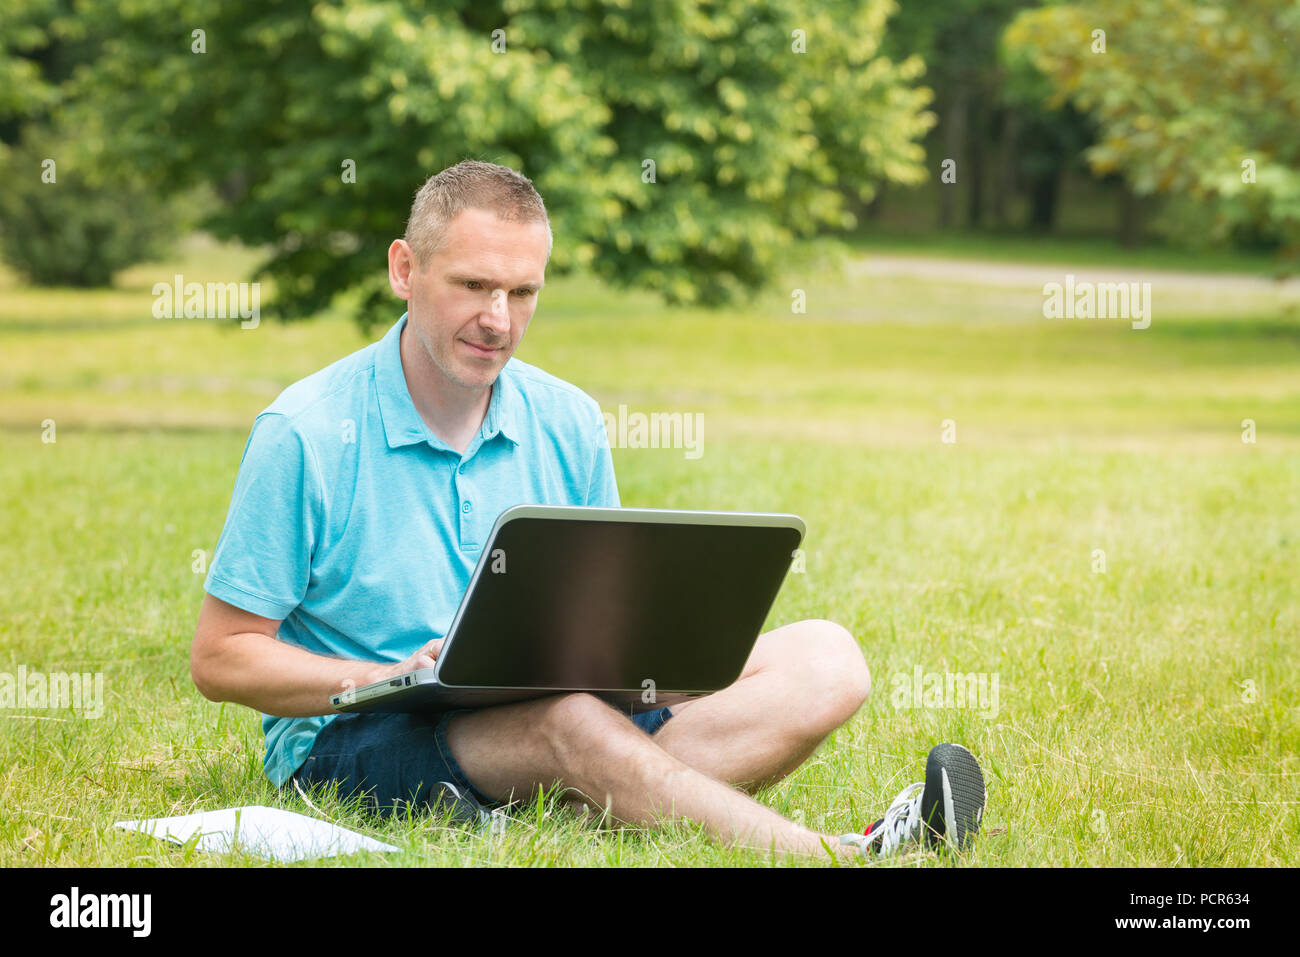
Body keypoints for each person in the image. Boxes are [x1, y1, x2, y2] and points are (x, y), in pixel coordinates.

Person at [189, 159, 985, 861]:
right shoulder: (307, 431)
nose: (498, 319)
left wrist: (650, 662)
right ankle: (851, 853)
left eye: (521, 291)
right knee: (569, 722)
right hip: (357, 741)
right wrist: (380, 674)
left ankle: (578, 807)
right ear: (405, 269)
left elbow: (598, 619)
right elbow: (222, 658)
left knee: (827, 658)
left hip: (551, 707)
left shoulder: (566, 418)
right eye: (473, 285)